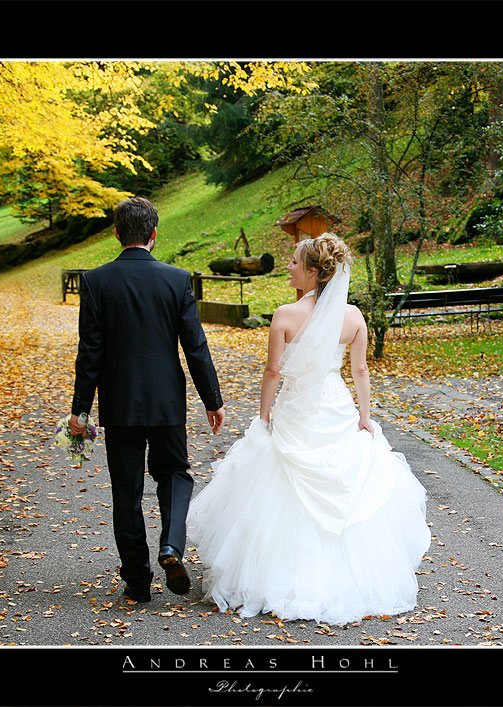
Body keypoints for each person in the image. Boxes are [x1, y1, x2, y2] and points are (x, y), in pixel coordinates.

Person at [186, 233, 430, 625]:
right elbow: (360, 370)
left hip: (296, 408)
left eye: (295, 262)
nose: (288, 267)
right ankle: (343, 583)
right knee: (342, 489)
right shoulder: (353, 318)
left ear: (314, 272)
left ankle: (278, 579)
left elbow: (272, 372)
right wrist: (364, 416)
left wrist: (263, 417)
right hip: (334, 405)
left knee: (280, 488)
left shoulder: (285, 315)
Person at [69, 196, 226, 604]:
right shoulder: (177, 280)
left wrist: (80, 411)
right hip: (166, 402)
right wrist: (212, 399)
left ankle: (138, 581)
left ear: (117, 234)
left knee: (127, 491)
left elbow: (90, 352)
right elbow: (196, 346)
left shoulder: (96, 282)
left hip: (119, 404)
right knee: (174, 474)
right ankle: (171, 547)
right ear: (154, 234)